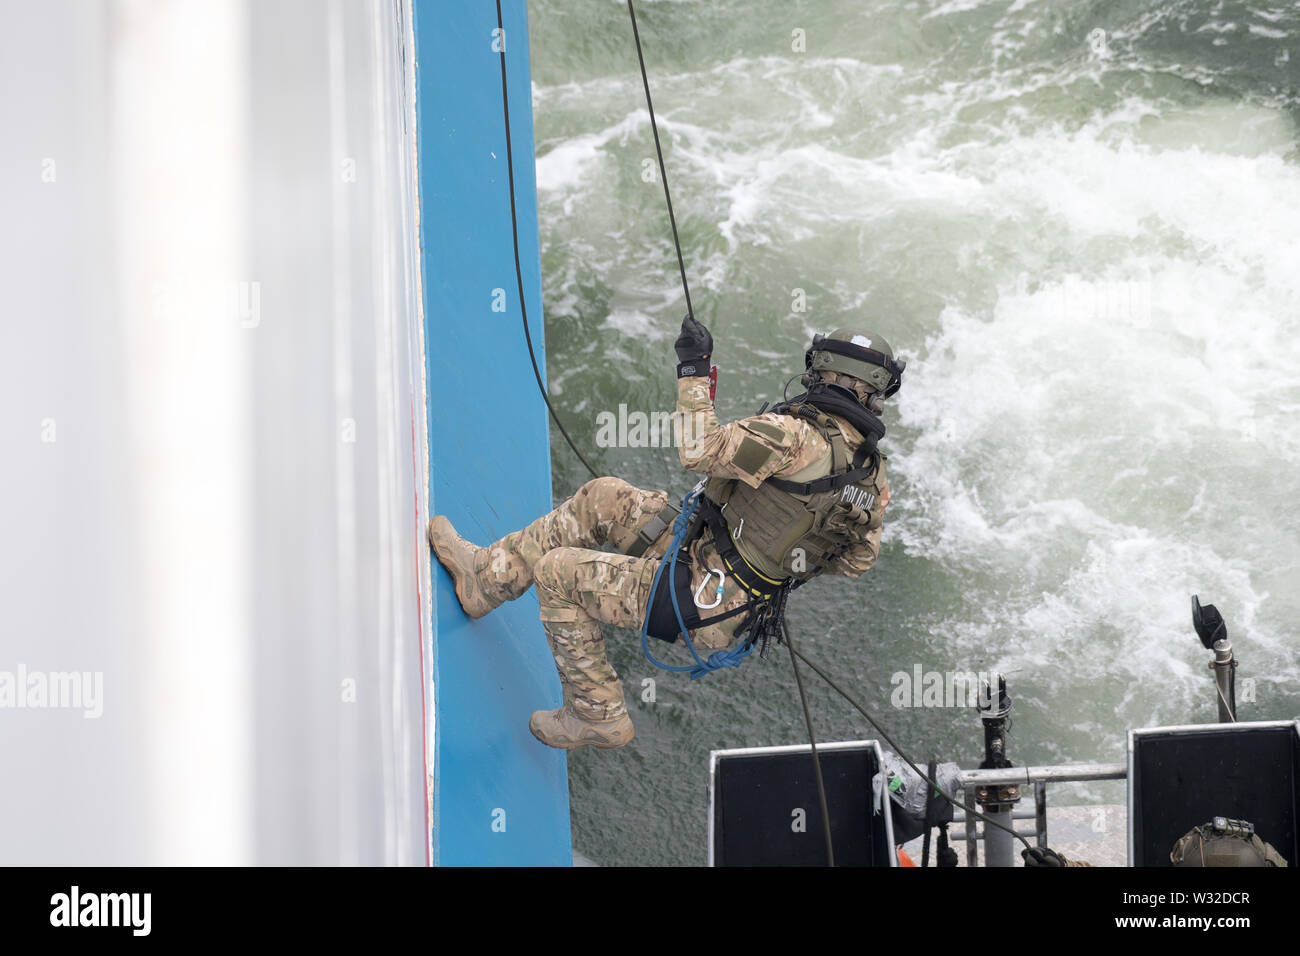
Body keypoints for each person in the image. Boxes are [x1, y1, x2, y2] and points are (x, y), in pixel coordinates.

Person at [427, 315, 903, 750]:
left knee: (558, 574)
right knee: (605, 499)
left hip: (703, 598)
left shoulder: (794, 437)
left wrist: (693, 369)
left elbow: (699, 450)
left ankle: (598, 713)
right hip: (722, 580)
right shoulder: (871, 478)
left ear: (820, 370)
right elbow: (856, 561)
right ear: (874, 391)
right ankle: (486, 580)